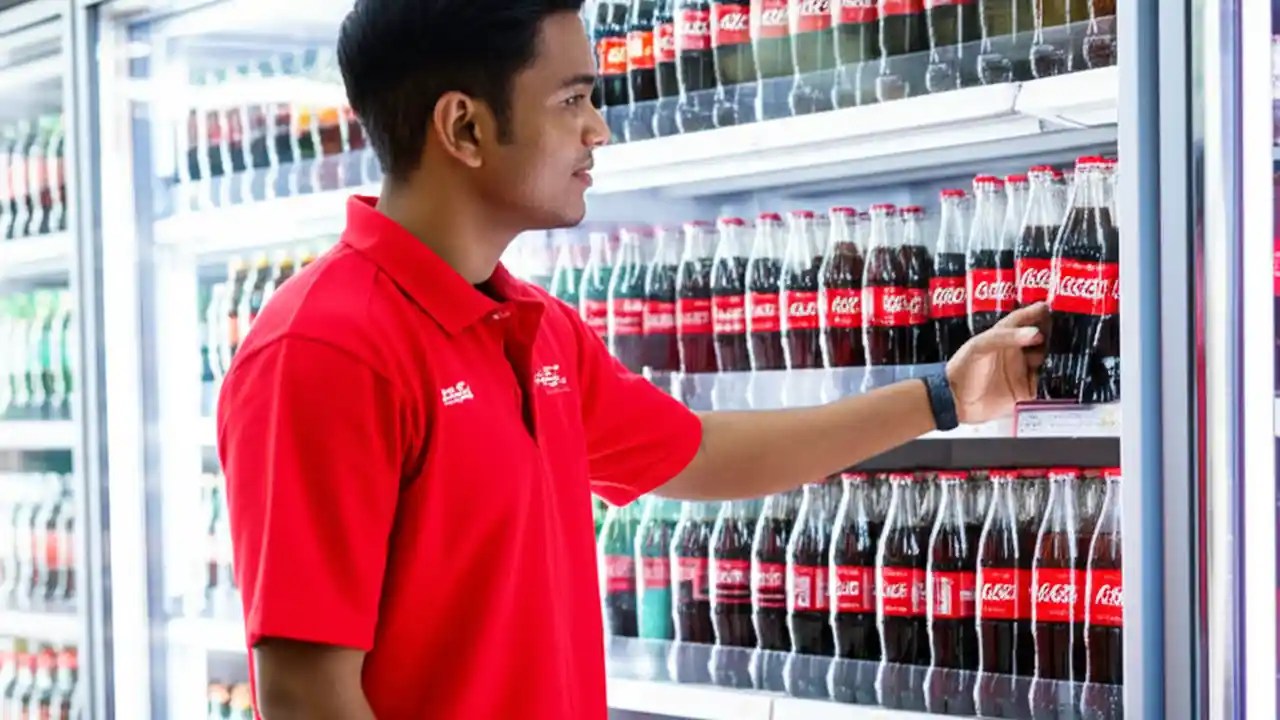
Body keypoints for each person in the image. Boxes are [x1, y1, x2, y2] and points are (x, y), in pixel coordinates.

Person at [215, 1, 1049, 718]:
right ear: (464, 127)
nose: (599, 128)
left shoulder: (537, 328)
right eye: (572, 99)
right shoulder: (325, 351)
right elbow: (304, 694)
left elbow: (701, 452)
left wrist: (944, 395)